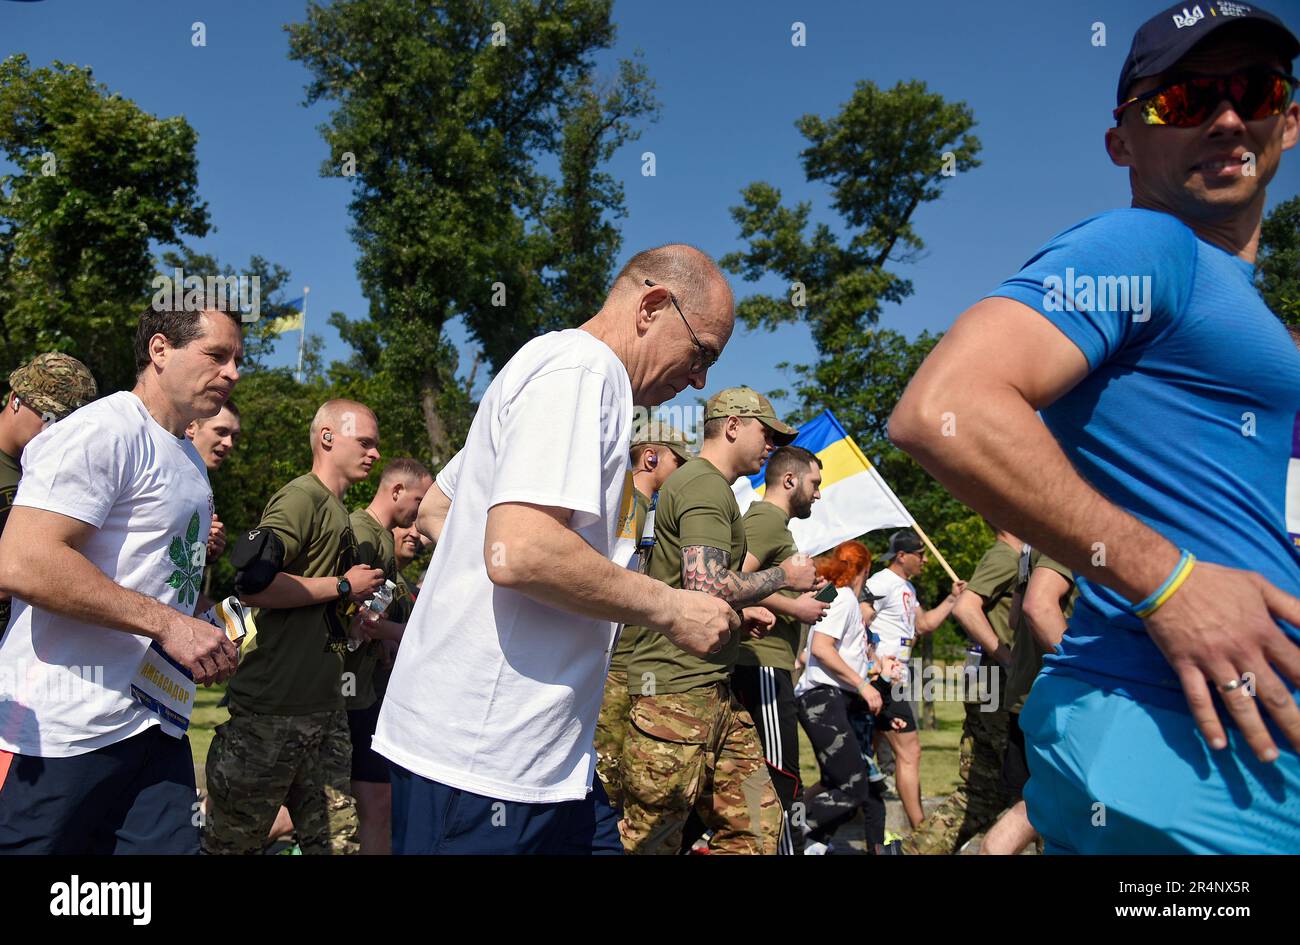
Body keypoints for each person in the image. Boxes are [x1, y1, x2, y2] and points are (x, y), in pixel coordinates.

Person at [889, 3, 1300, 853]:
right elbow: (943, 410)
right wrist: (1167, 580)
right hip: (1184, 745)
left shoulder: (1232, 297)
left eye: (1253, 91)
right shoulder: (1149, 245)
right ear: (1123, 142)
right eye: (1184, 100)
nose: (1227, 116)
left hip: (1211, 746)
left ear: (1288, 120)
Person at [375, 245, 740, 855]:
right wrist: (674, 609)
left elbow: (442, 508)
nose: (701, 379)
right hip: (484, 759)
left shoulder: (577, 380)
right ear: (652, 305)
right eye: (701, 352)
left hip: (545, 758)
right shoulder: (581, 370)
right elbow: (519, 552)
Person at [0, 300, 241, 853]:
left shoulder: (189, 460)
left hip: (155, 724)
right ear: (161, 349)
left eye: (237, 359)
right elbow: (22, 560)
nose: (232, 372)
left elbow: (161, 582)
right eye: (217, 355)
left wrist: (202, 631)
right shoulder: (103, 429)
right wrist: (167, 626)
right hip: (63, 730)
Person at [620, 386, 818, 855]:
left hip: (713, 691)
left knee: (756, 823)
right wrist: (783, 576)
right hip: (674, 694)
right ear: (732, 426)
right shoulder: (704, 484)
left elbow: (698, 591)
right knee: (651, 839)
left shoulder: (707, 486)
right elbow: (705, 584)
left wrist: (735, 616)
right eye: (765, 433)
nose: (771, 445)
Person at [202, 399, 387, 855]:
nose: (375, 454)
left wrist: (352, 615)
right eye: (364, 442)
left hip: (326, 713)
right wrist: (344, 585)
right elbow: (253, 585)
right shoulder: (302, 496)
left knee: (340, 845)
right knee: (233, 847)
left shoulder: (341, 512)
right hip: (271, 715)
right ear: (328, 437)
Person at [732, 444, 830, 855]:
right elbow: (732, 581)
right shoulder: (767, 521)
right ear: (790, 481)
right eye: (815, 484)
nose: (819, 494)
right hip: (761, 666)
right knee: (781, 776)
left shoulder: (773, 524)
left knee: (765, 778)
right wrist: (796, 606)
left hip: (767, 666)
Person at [594, 420, 693, 810]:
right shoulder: (631, 502)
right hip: (615, 662)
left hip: (630, 662)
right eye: (679, 461)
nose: (685, 472)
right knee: (607, 771)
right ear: (650, 456)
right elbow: (618, 573)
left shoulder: (644, 505)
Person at [904, 526, 1021, 854]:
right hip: (998, 687)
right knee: (1026, 789)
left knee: (984, 791)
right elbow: (966, 608)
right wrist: (1007, 658)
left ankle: (910, 851)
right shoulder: (1006, 556)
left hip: (991, 685)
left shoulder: (1010, 556)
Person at [344, 457, 432, 855]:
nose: (420, 514)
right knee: (365, 803)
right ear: (396, 491)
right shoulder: (361, 532)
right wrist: (392, 634)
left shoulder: (378, 538)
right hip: (349, 694)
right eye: (419, 499)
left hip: (367, 695)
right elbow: (358, 618)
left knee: (369, 803)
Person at [794, 541, 897, 854]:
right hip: (823, 699)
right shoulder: (845, 598)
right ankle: (790, 833)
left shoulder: (831, 595)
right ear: (863, 570)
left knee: (836, 781)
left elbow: (812, 648)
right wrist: (863, 685)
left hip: (828, 698)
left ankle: (813, 844)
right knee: (852, 788)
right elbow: (822, 649)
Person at [863, 529, 965, 830]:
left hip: (895, 680)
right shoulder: (882, 582)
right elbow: (859, 613)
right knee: (910, 751)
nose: (924, 561)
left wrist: (952, 598)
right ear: (902, 556)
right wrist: (876, 658)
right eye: (920, 555)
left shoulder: (906, 586)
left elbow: (924, 624)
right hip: (883, 681)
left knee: (864, 754)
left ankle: (847, 816)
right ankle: (919, 829)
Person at [981, 547, 1075, 855]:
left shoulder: (1031, 545)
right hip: (1062, 698)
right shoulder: (1066, 533)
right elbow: (1037, 607)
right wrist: (1083, 669)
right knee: (1044, 803)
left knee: (1037, 806)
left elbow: (1014, 615)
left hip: (1030, 692)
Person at [0, 353, 97, 636]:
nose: (52, 429)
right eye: (47, 416)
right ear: (15, 399)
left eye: (65, 423)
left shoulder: (59, 473)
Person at [186, 399, 242, 572]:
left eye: (234, 436)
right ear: (191, 427)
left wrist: (207, 551)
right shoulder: (160, 470)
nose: (229, 443)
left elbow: (190, 567)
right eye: (221, 432)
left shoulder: (203, 486)